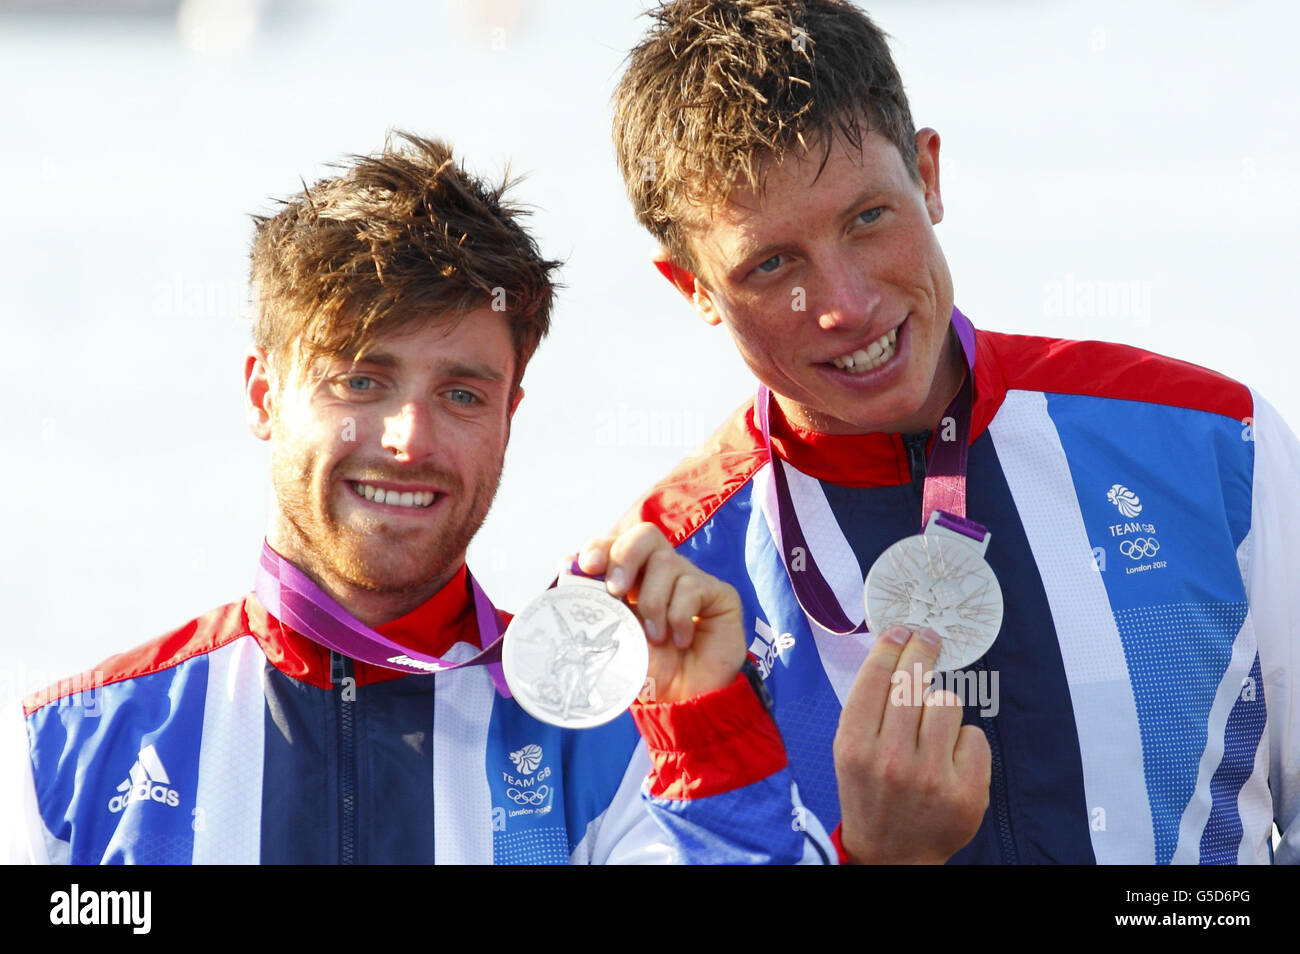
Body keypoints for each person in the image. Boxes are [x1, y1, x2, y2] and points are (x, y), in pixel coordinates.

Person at [1, 132, 830, 865]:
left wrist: (711, 737)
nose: (410, 439)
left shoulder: (616, 751)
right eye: (361, 380)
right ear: (263, 395)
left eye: (463, 394)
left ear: (510, 416)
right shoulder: (65, 754)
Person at [608, 0, 1297, 863]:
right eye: (771, 263)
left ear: (928, 176)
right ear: (693, 288)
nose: (847, 307)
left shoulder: (1211, 446)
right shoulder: (666, 587)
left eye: (868, 218)